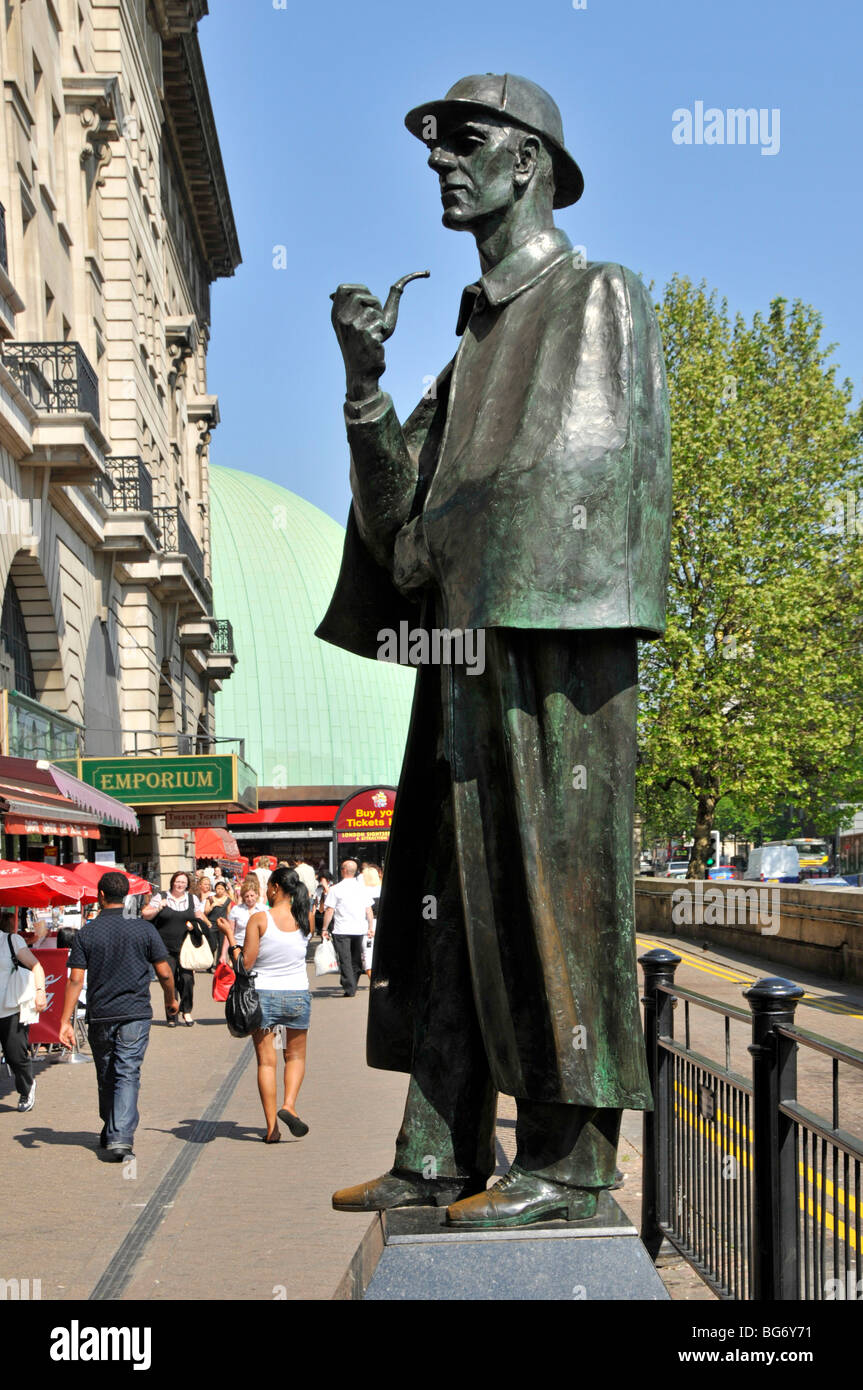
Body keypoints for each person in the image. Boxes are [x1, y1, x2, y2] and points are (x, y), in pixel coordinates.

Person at [317, 74, 671, 1226]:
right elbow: (397, 533)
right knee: (445, 891)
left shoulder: (594, 296)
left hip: (546, 642)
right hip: (465, 644)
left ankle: (571, 1162)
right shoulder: (465, 347)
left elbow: (582, 475)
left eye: (463, 142)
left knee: (551, 896)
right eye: (435, 146)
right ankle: (439, 1144)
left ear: (527, 162)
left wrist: (451, 542)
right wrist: (366, 389)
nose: (440, 162)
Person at [59, 872, 179, 1160]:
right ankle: (118, 1133)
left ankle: (116, 1132)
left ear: (100, 896)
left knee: (107, 1073)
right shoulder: (143, 930)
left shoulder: (87, 932)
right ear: (127, 897)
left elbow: (75, 980)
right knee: (126, 1072)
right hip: (135, 1012)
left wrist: (64, 1021)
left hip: (101, 1014)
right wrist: (170, 999)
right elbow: (164, 972)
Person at [223, 866, 314, 1143]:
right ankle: (289, 1105)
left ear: (274, 888)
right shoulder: (306, 917)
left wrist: (230, 937)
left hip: (263, 997)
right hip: (297, 994)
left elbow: (245, 964)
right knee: (295, 1057)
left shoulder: (259, 919)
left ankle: (272, 1129)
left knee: (267, 1062)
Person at [142, 871, 209, 1026]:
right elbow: (145, 914)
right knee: (168, 980)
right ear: (172, 882)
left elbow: (199, 917)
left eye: (183, 882)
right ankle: (171, 1014)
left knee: (187, 979)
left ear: (187, 885)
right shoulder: (161, 896)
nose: (180, 885)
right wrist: (159, 907)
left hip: (186, 947)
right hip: (164, 947)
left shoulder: (192, 899)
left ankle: (186, 1011)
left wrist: (197, 926)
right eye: (178, 882)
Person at [0, 909, 47, 1112]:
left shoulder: (11, 941)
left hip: (10, 1007)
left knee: (15, 1056)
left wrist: (40, 992)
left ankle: (27, 1088)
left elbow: (36, 966)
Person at [322, 860, 375, 997]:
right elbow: (369, 910)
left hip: (342, 929)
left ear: (343, 870)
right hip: (359, 929)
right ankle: (352, 983)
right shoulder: (362, 889)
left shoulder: (335, 889)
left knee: (345, 959)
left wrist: (324, 928)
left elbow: (329, 911)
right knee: (356, 959)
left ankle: (349, 986)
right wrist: (370, 927)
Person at [215, 875, 263, 964]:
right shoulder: (236, 910)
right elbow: (229, 931)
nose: (250, 899)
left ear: (257, 895)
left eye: (252, 895)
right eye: (247, 896)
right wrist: (223, 954)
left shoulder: (263, 910)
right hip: (238, 947)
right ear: (243, 897)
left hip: (258, 948)